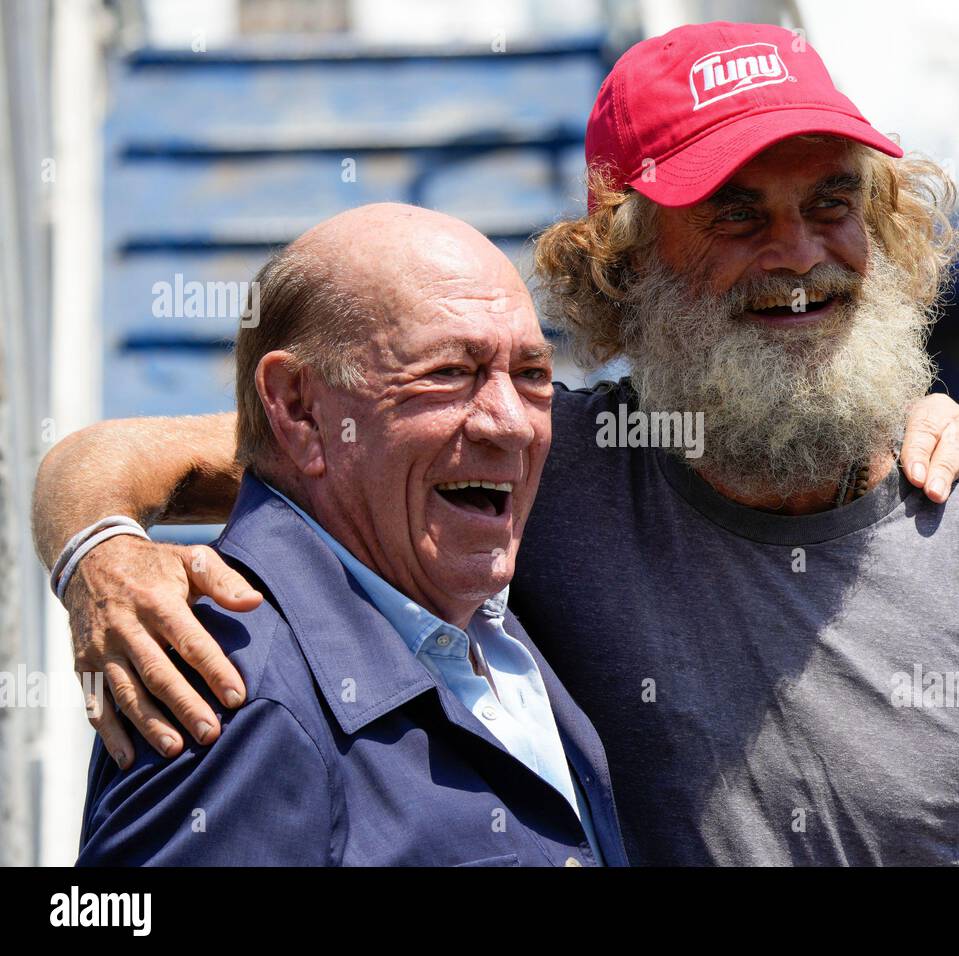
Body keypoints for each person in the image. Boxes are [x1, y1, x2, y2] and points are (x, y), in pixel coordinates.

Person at [36, 22, 959, 865]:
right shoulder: (526, 467)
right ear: (625, 268)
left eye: (833, 200)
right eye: (736, 214)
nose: (801, 252)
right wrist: (98, 555)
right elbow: (132, 455)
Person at [76, 205, 625, 866]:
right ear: (302, 410)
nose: (510, 423)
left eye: (533, 374)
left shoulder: (482, 613)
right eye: (450, 372)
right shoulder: (236, 695)